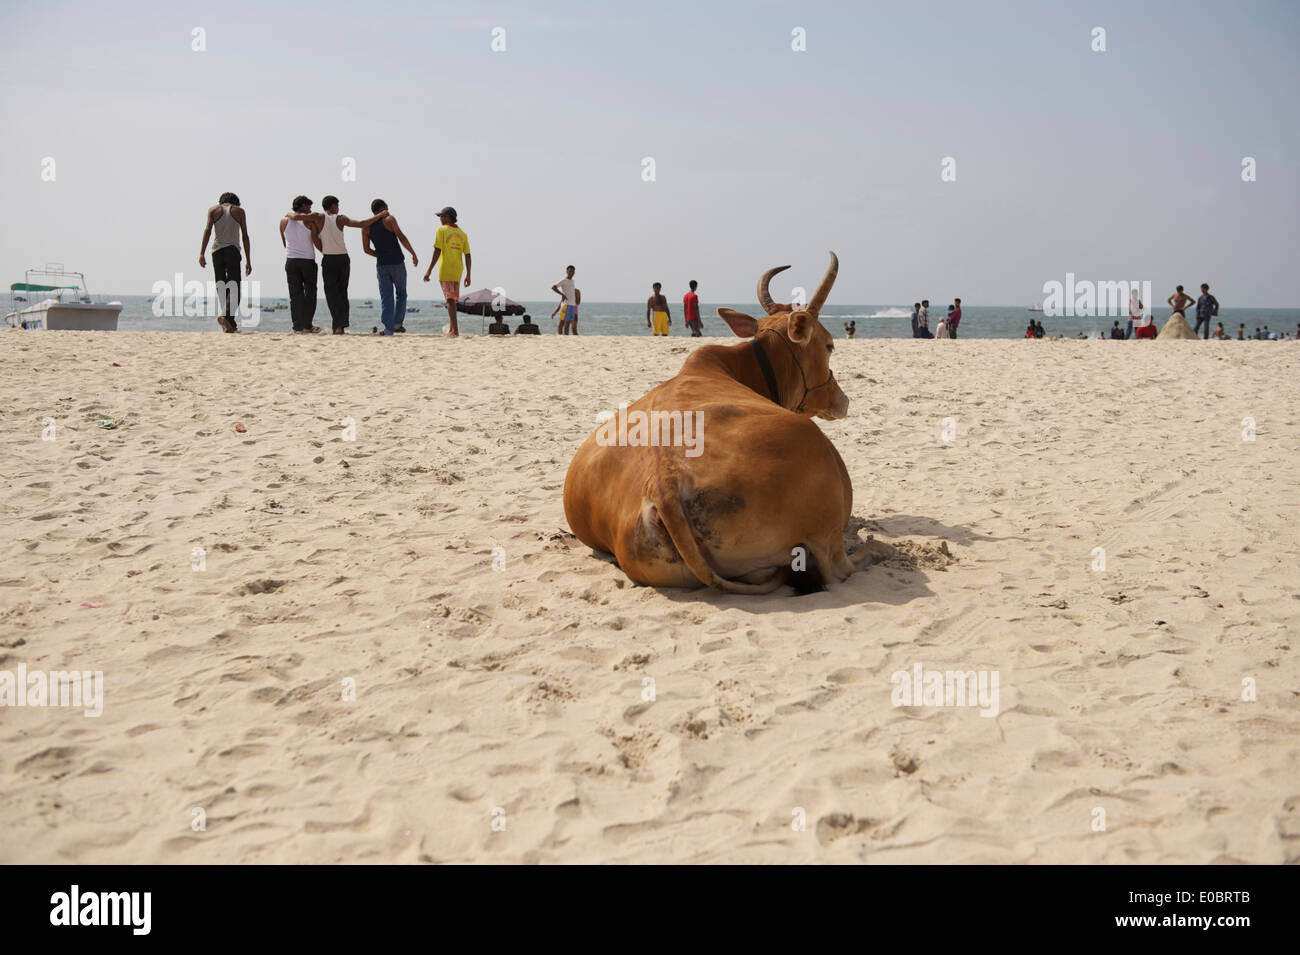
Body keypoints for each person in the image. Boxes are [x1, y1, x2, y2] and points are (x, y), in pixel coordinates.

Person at [283, 197, 389, 334]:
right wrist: (380, 215)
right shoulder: (341, 219)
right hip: (343, 259)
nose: (338, 208)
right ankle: (339, 327)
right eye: (337, 205)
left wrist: (288, 214)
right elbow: (362, 223)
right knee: (342, 293)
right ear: (333, 206)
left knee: (331, 294)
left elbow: (298, 219)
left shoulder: (317, 217)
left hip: (328, 259)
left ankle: (334, 325)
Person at [362, 199, 418, 336]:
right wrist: (413, 253)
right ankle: (398, 324)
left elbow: (366, 249)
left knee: (386, 297)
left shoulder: (366, 227)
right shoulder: (389, 219)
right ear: (384, 208)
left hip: (381, 265)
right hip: (397, 262)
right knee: (401, 293)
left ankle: (388, 328)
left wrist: (380, 255)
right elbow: (402, 238)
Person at [199, 192, 251, 333]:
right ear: (235, 201)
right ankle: (225, 315)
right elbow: (245, 235)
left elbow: (207, 231)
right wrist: (248, 260)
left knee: (221, 285)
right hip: (232, 250)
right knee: (234, 286)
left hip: (217, 251)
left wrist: (202, 253)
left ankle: (230, 323)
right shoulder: (239, 211)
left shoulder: (213, 210)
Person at [422, 206, 471, 337]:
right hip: (458, 270)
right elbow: (467, 255)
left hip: (446, 268)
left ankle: (454, 330)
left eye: (441, 217)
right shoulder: (462, 233)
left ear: (447, 217)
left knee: (449, 300)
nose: (440, 219)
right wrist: (468, 274)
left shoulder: (441, 230)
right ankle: (453, 329)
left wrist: (429, 270)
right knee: (452, 300)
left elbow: (437, 250)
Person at [280, 196, 323, 334]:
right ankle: (307, 325)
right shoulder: (309, 220)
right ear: (303, 206)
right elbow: (315, 240)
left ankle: (297, 326)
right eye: (309, 207)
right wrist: (324, 251)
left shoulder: (283, 221)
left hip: (291, 260)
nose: (310, 210)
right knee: (310, 293)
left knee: (295, 295)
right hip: (307, 260)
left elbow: (284, 242)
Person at [552, 265, 578, 334]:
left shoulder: (572, 281)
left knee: (568, 323)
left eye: (572, 271)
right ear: (567, 272)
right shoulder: (564, 280)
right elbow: (554, 287)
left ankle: (566, 337)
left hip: (572, 304)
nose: (571, 273)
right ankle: (561, 336)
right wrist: (562, 294)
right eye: (570, 271)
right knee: (563, 322)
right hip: (566, 304)